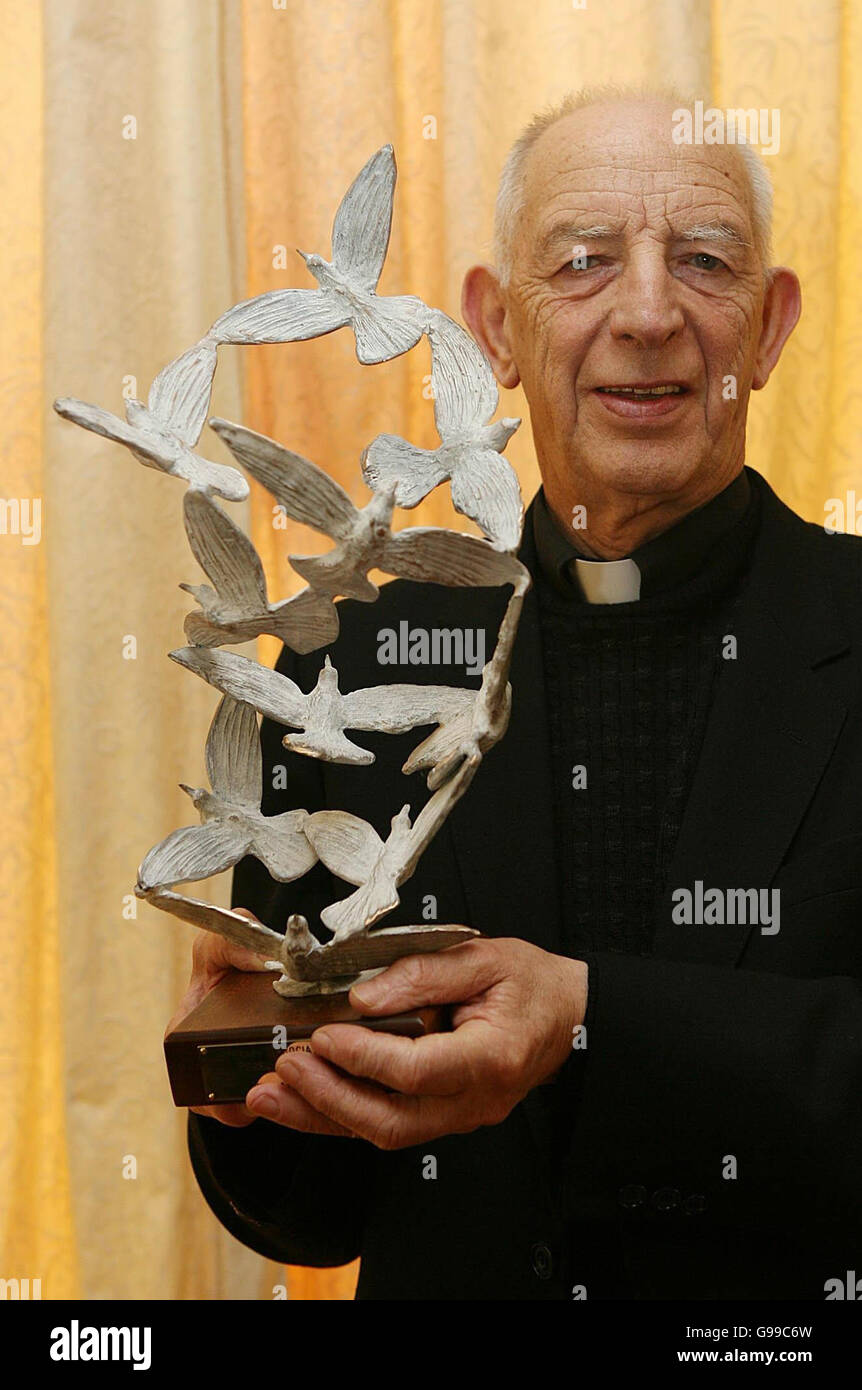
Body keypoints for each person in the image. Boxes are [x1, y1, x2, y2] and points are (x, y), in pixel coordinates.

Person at [172, 86, 862, 1299]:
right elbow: (314, 1214)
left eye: (702, 262)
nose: (647, 313)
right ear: (494, 326)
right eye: (585, 263)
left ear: (768, 326)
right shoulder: (352, 657)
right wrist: (260, 1093)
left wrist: (590, 1023)